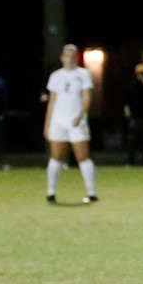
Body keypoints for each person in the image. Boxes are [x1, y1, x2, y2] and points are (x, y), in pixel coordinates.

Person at [42, 43, 98, 203]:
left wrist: (81, 115)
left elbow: (87, 97)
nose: (70, 59)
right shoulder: (56, 76)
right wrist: (47, 124)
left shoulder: (83, 75)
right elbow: (52, 101)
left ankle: (92, 192)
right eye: (67, 55)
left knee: (83, 156)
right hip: (58, 121)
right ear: (62, 58)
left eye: (73, 56)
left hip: (76, 121)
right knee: (56, 157)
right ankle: (51, 192)